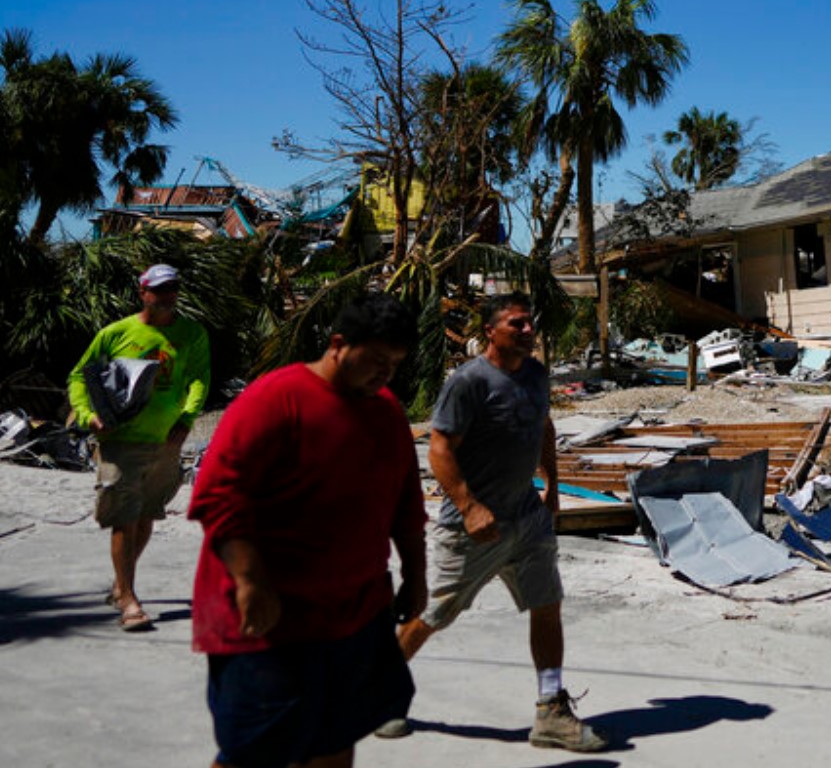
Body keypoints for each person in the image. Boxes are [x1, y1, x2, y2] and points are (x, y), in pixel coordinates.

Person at [188, 290, 427, 768]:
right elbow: (218, 495)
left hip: (354, 615)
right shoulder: (276, 398)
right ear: (338, 343)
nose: (385, 372)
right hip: (269, 616)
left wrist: (416, 575)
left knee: (336, 741)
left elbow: (406, 503)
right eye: (376, 359)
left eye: (395, 363)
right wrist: (250, 580)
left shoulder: (385, 412)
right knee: (254, 751)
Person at [381, 292, 605, 753]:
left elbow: (544, 427)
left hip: (526, 516)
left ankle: (550, 709)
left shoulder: (538, 375)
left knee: (547, 604)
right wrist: (468, 507)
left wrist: (553, 485)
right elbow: (439, 447)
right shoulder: (469, 382)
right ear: (490, 331)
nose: (528, 331)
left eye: (530, 324)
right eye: (517, 325)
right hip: (471, 527)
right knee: (434, 613)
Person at [67, 261, 211, 632]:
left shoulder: (191, 333)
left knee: (146, 516)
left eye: (172, 289)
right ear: (143, 291)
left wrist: (186, 419)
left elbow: (198, 378)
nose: (167, 297)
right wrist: (88, 416)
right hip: (121, 440)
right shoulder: (117, 333)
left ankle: (120, 584)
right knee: (124, 519)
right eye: (159, 290)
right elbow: (80, 376)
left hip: (165, 443)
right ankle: (129, 599)